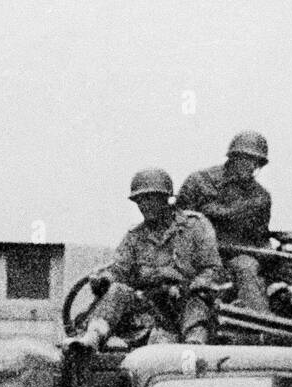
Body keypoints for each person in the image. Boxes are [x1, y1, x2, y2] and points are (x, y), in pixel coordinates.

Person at [70, 168, 224, 351]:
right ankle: (93, 338)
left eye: (150, 199)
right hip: (149, 309)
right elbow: (119, 270)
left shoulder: (195, 226)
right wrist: (105, 279)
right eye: (140, 201)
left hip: (186, 303)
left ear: (165, 198)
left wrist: (194, 286)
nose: (144, 205)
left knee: (197, 303)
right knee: (118, 291)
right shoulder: (135, 236)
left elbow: (213, 268)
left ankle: (193, 347)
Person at [176, 131, 273, 311]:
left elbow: (260, 237)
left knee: (247, 266)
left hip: (234, 256)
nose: (251, 166)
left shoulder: (261, 197)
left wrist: (266, 252)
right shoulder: (199, 182)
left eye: (256, 162)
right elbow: (177, 225)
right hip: (195, 256)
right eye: (246, 159)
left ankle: (260, 326)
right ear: (233, 157)